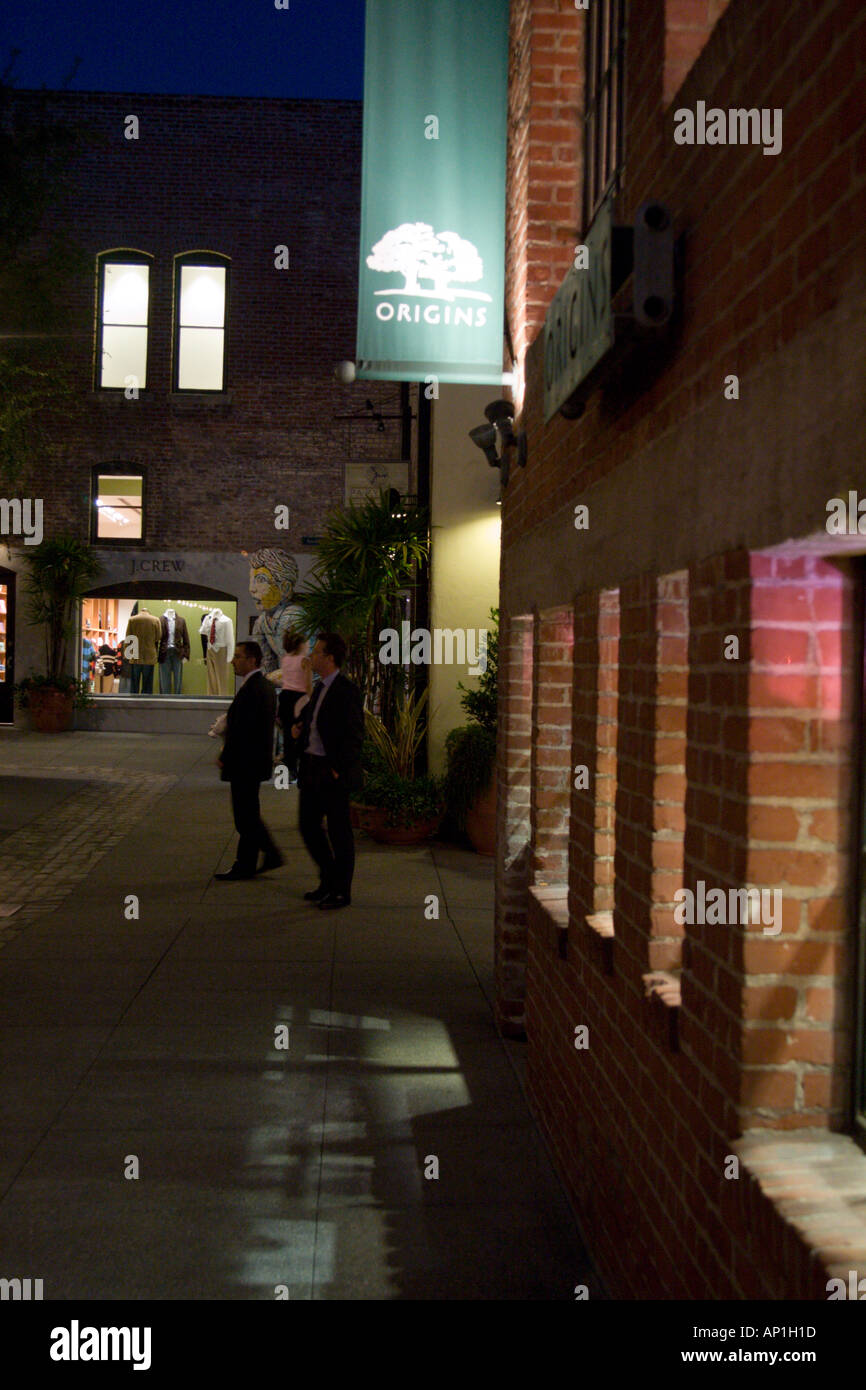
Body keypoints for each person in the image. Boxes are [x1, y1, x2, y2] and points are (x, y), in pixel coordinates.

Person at [293, 632, 364, 910]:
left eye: (317, 652)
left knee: (339, 832)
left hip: (330, 771)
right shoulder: (321, 687)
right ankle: (328, 878)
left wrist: (338, 768)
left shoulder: (346, 691)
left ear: (330, 657)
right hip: (312, 766)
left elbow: (355, 734)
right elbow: (313, 717)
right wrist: (300, 725)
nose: (312, 656)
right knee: (308, 825)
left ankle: (340, 890)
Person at [214, 640, 283, 881]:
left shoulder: (256, 688)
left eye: (239, 656)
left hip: (247, 763)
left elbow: (244, 729)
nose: (234, 660)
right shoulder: (259, 686)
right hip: (251, 761)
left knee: (245, 817)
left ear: (252, 660)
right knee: (247, 813)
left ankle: (269, 853)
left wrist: (226, 755)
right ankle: (246, 862)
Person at [270, 628, 311, 780]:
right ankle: (301, 768)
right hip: (300, 698)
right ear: (301, 645)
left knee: (288, 735)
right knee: (302, 732)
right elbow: (307, 685)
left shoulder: (285, 659)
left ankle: (290, 769)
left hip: (285, 697)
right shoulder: (305, 661)